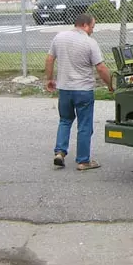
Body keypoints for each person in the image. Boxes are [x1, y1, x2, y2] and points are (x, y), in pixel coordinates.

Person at [44, 12, 113, 171]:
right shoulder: (90, 43)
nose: (93, 30)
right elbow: (101, 68)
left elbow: (49, 59)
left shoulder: (59, 37)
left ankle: (59, 152)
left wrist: (49, 79)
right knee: (84, 125)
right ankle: (83, 161)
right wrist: (110, 85)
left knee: (65, 120)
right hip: (83, 90)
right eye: (92, 27)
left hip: (65, 89)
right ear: (85, 25)